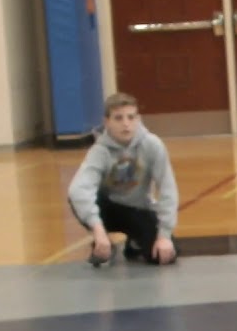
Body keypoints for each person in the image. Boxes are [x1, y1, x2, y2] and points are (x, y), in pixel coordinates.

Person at [68, 92, 179, 267]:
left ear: (138, 119)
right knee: (76, 196)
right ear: (107, 122)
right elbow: (78, 190)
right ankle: (103, 242)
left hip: (138, 209)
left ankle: (134, 243)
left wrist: (164, 236)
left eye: (131, 117)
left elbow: (168, 189)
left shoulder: (152, 145)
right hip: (108, 208)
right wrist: (98, 230)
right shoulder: (100, 151)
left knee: (164, 255)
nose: (126, 124)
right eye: (118, 118)